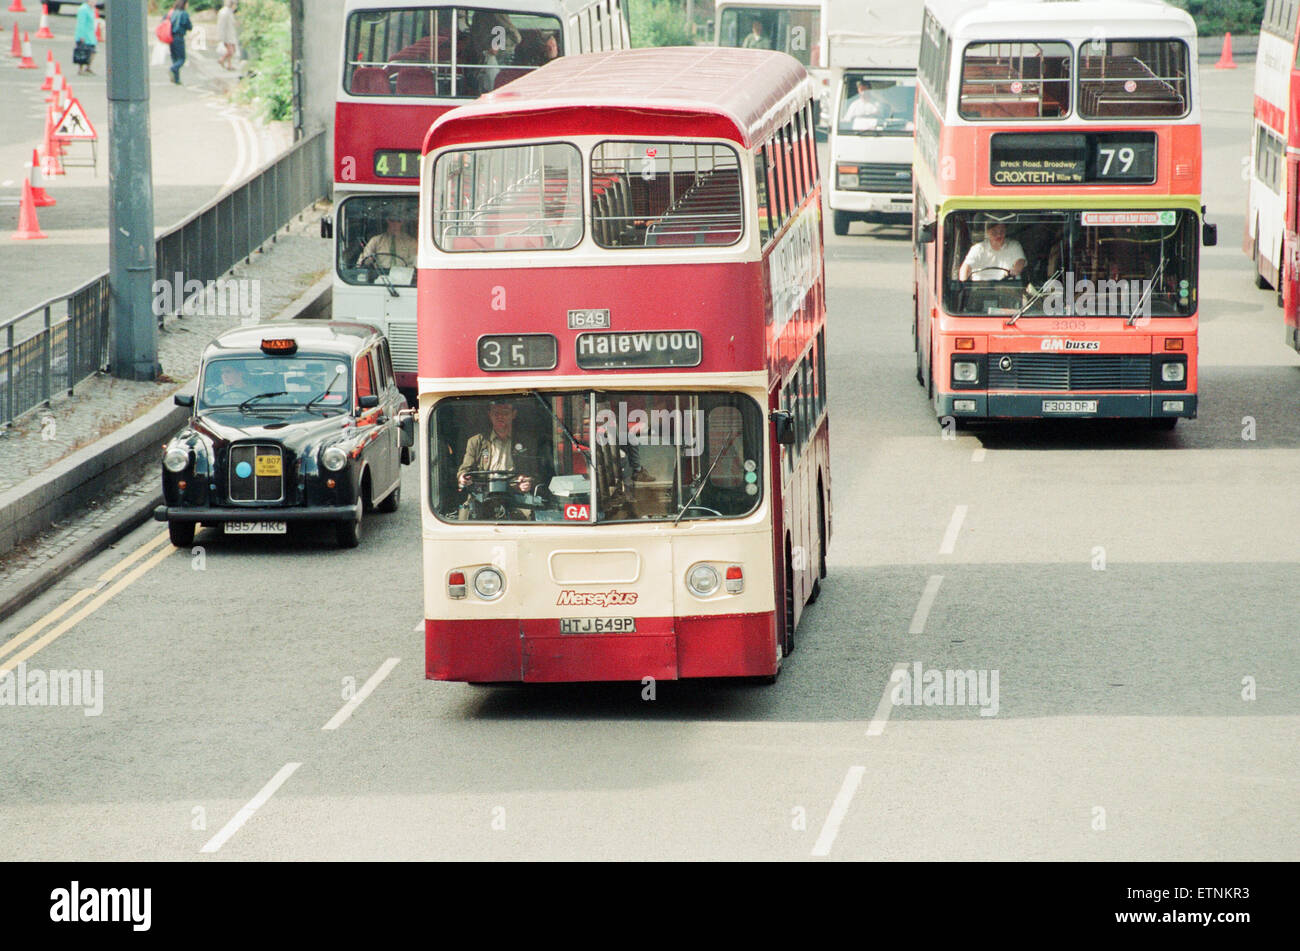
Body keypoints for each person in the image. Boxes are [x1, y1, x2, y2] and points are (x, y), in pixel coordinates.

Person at [456, 400, 543, 520]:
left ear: (514, 414)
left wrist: (527, 482)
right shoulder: (476, 442)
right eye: (496, 413)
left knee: (530, 516)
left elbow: (536, 473)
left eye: (505, 413)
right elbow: (464, 470)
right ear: (489, 415)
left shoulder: (527, 442)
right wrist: (463, 477)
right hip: (483, 493)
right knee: (465, 517)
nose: (500, 417)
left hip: (515, 493)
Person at [959, 218, 1027, 281]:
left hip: (1008, 288)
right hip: (980, 288)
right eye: (994, 232)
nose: (999, 235)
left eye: (1002, 231)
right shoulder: (978, 248)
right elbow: (965, 267)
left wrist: (1016, 270)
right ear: (988, 232)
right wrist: (963, 285)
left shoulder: (1014, 245)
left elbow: (1020, 260)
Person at [168, 0, 194, 85]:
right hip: (179, 37)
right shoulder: (184, 14)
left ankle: (177, 79)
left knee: (175, 59)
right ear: (184, 4)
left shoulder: (173, 12)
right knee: (182, 59)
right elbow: (189, 26)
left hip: (170, 37)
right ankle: (173, 69)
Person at [74, 1, 97, 76]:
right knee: (82, 52)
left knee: (92, 52)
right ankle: (80, 69)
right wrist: (81, 36)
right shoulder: (83, 9)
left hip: (90, 35)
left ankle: (88, 67)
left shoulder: (91, 9)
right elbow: (81, 23)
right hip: (84, 35)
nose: (94, 2)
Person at [217, 0, 239, 72]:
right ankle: (222, 59)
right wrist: (221, 37)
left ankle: (229, 65)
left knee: (232, 50)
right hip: (227, 36)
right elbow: (222, 25)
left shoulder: (228, 12)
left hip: (229, 35)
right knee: (231, 51)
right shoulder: (225, 12)